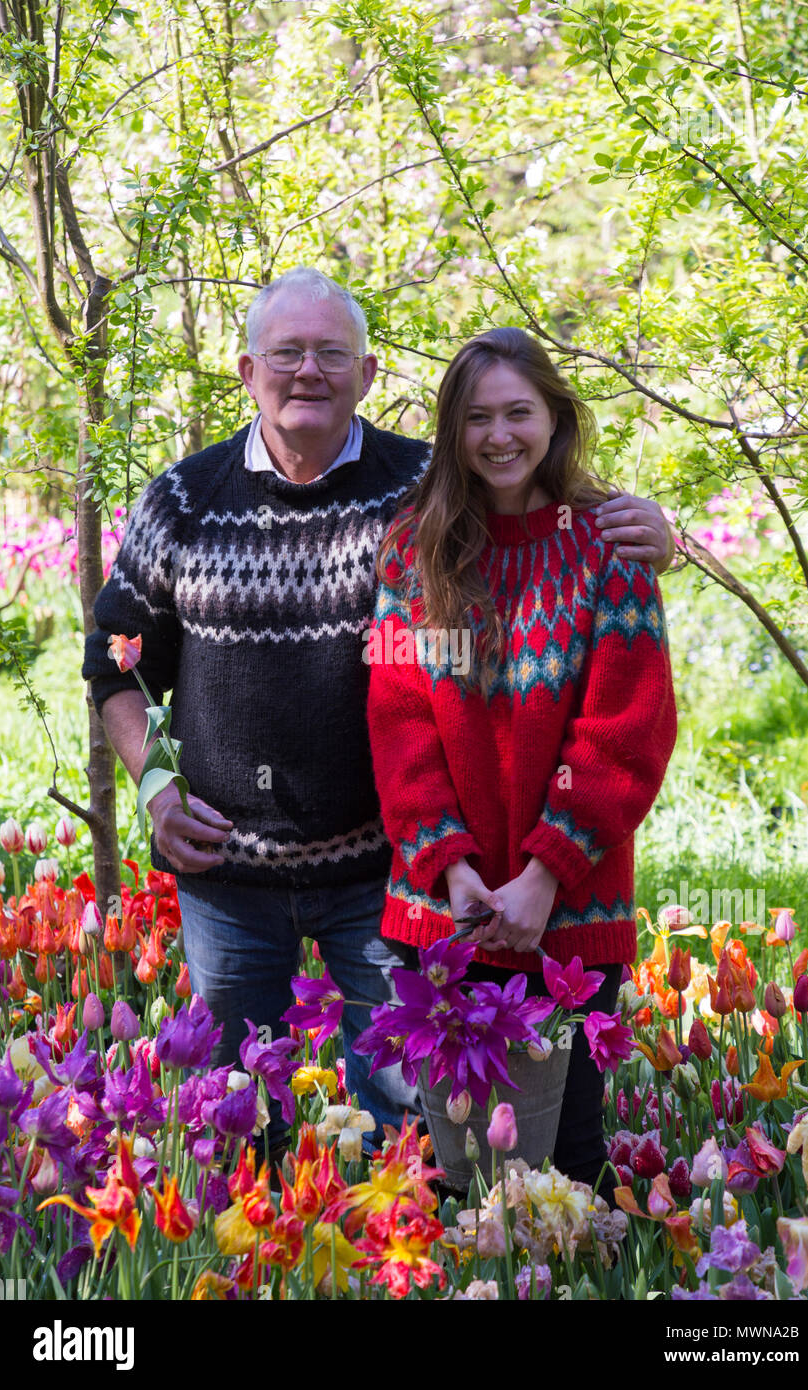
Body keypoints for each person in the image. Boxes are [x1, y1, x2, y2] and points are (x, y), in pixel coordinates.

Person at [81, 268, 675, 1157]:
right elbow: (116, 661)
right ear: (247, 369)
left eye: (333, 354)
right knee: (240, 1127)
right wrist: (158, 791)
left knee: (416, 1138)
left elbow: (540, 515)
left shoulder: (427, 492)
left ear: (367, 374)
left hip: (385, 875)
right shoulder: (187, 500)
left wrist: (662, 537)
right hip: (230, 883)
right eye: (286, 353)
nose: (308, 372)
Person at [366, 326, 677, 1196]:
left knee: (566, 1167)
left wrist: (546, 874)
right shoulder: (413, 548)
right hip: (442, 909)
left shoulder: (610, 545)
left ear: (555, 419)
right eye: (476, 419)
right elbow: (399, 722)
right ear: (451, 431)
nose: (499, 436)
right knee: (454, 1171)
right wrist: (451, 866)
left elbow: (625, 731)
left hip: (572, 915)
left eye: (518, 413)